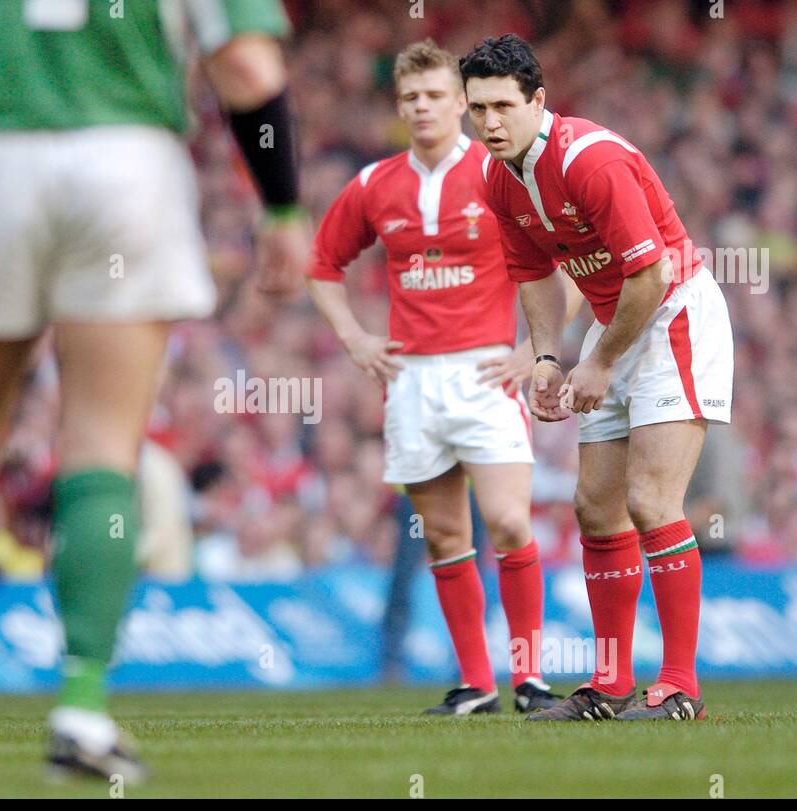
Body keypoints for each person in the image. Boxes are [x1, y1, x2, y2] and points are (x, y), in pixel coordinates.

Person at [0, 0, 308, 782]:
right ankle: (81, 711)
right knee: (104, 449)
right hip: (130, 167)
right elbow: (248, 67)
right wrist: (282, 205)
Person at [463, 34, 734, 721]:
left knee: (650, 499)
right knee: (594, 507)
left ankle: (680, 686)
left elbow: (652, 274)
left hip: (673, 314)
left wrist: (601, 360)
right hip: (612, 325)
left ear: (538, 102)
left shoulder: (591, 160)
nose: (489, 122)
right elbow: (533, 274)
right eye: (478, 108)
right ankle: (610, 684)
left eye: (502, 105)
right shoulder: (499, 178)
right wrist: (550, 357)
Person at [307, 40, 581, 715]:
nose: (422, 107)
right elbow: (321, 266)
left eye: (435, 95)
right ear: (399, 107)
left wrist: (534, 349)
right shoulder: (375, 184)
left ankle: (531, 678)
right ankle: (477, 683)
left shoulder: (501, 173)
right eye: (410, 98)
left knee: (511, 523)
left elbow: (571, 263)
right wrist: (354, 338)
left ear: (461, 103)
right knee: (444, 537)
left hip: (486, 372)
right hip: (411, 380)